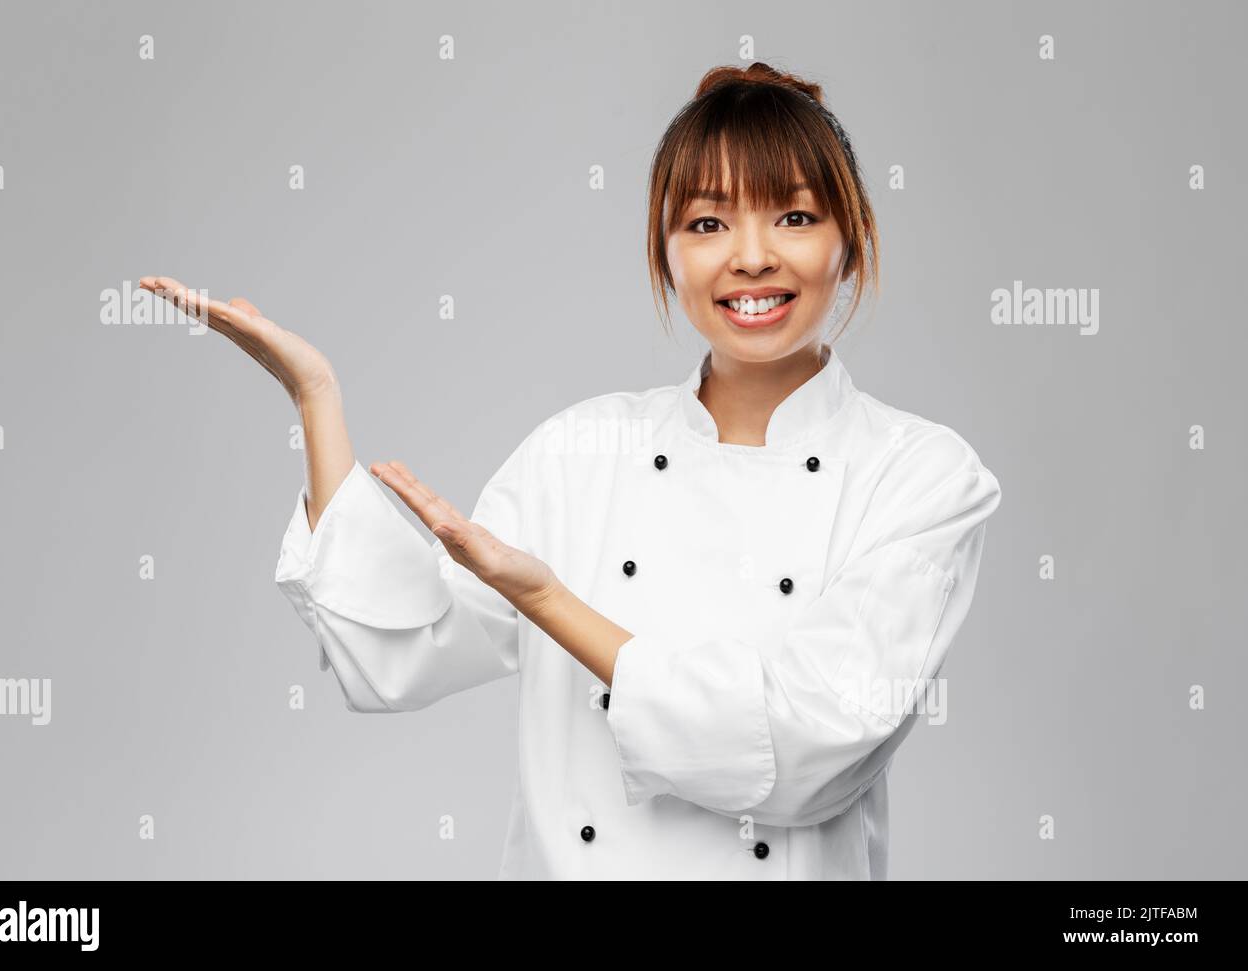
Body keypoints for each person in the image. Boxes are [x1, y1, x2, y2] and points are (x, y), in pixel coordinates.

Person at [139, 61, 1002, 880]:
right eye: (707, 224)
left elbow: (809, 745)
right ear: (665, 250)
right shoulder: (581, 450)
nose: (749, 258)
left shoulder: (918, 474)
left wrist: (551, 599)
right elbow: (395, 649)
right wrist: (315, 395)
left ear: (851, 240)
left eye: (794, 217)